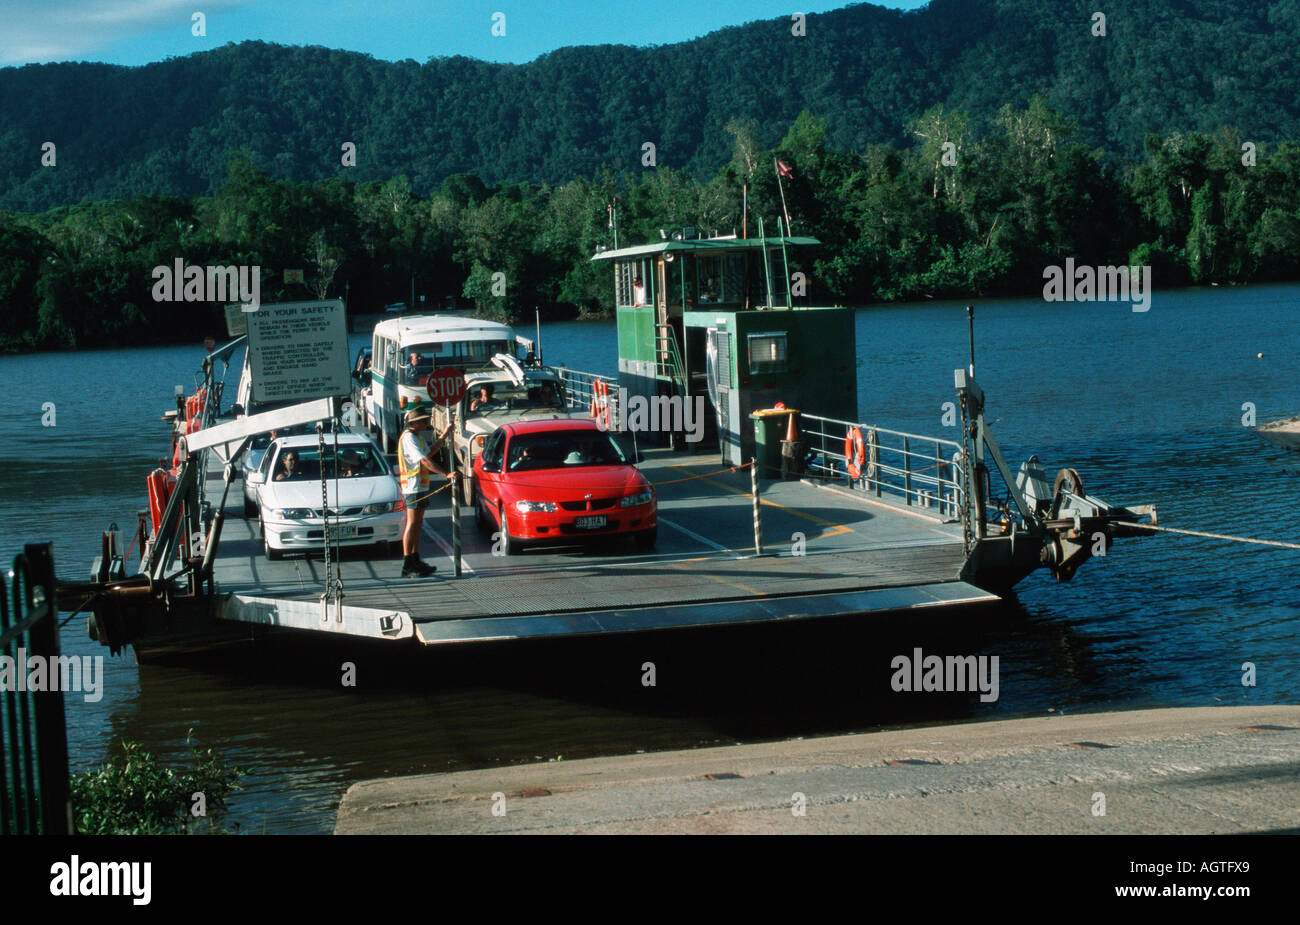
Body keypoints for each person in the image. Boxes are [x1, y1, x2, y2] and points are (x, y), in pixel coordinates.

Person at [397, 408, 457, 577]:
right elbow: (424, 460)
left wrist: (444, 435)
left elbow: (429, 452)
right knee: (412, 523)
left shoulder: (417, 437)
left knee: (418, 523)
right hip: (412, 486)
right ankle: (408, 562)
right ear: (413, 423)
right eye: (423, 421)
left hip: (420, 486)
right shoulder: (409, 438)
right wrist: (445, 474)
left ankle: (415, 559)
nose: (426, 423)